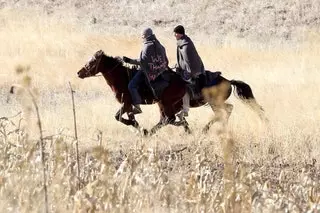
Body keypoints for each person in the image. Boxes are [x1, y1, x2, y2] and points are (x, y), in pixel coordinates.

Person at [123, 28, 169, 114]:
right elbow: (165, 60)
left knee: (131, 86)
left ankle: (137, 106)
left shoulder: (147, 46)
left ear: (146, 36)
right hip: (160, 71)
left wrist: (130, 61)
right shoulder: (160, 45)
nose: (142, 38)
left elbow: (142, 62)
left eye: (142, 36)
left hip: (148, 72)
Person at [174, 25, 206, 117]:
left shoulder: (186, 45)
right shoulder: (181, 42)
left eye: (176, 33)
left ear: (180, 34)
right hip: (184, 69)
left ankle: (185, 110)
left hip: (192, 71)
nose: (174, 35)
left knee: (184, 86)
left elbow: (190, 62)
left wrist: (188, 74)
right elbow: (184, 60)